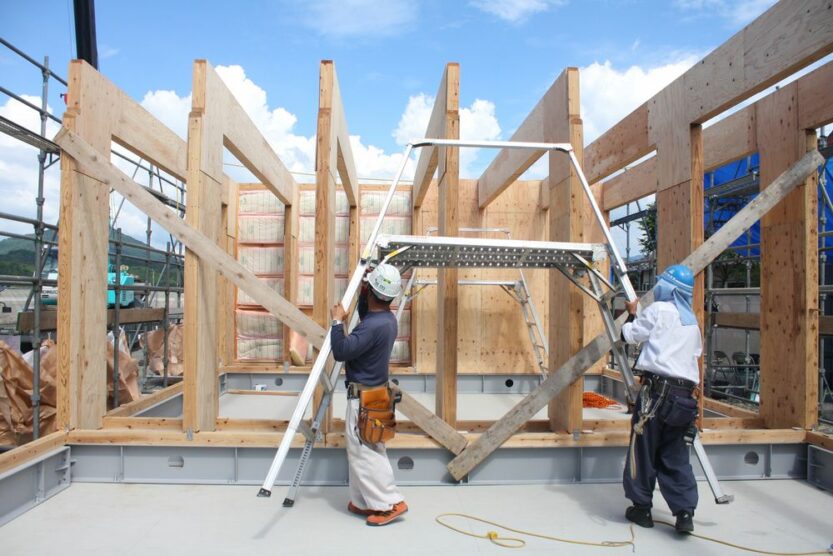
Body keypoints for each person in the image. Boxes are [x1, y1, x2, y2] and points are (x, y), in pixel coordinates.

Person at [620, 264, 702, 534]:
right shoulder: (692, 322)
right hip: (684, 399)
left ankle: (641, 509)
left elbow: (630, 336)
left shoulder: (658, 311)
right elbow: (692, 357)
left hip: (656, 395)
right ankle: (684, 512)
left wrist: (632, 315)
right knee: (675, 455)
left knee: (643, 452)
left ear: (667, 287)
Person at [330, 262, 408, 527]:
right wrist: (365, 291)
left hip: (363, 400)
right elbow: (367, 314)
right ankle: (365, 501)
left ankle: (390, 504)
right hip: (375, 396)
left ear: (373, 291)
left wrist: (337, 322)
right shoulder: (386, 320)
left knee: (367, 453)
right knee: (365, 449)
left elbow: (341, 350)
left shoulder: (372, 327)